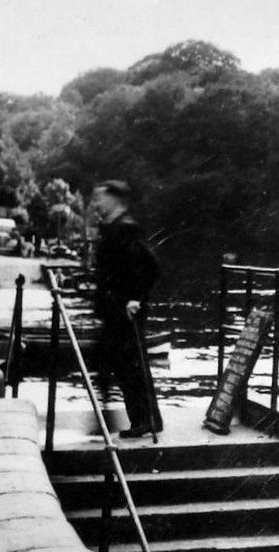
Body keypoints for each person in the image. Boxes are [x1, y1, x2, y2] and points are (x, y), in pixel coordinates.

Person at [90, 180, 162, 439]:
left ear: (114, 199)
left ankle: (144, 421)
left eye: (100, 198)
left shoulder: (126, 228)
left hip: (127, 309)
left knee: (131, 365)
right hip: (114, 309)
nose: (96, 203)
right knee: (119, 363)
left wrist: (136, 298)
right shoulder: (112, 228)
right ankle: (142, 418)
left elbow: (150, 266)